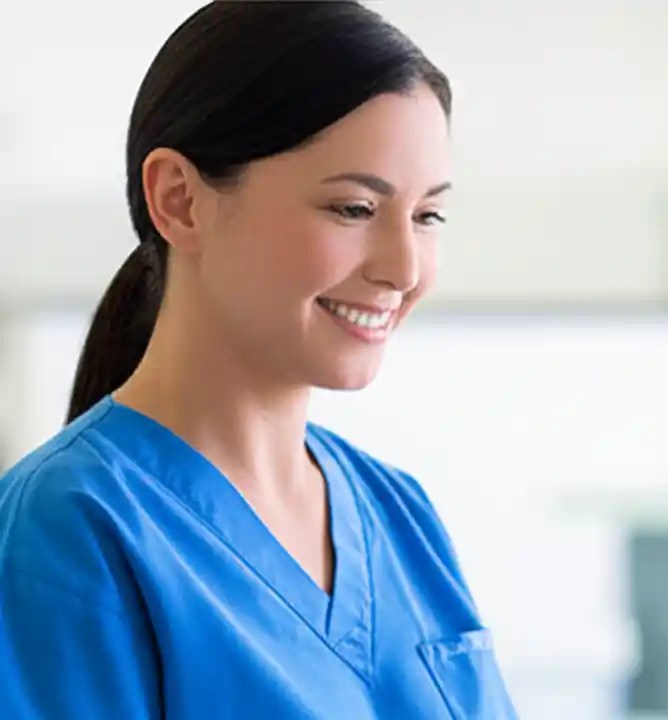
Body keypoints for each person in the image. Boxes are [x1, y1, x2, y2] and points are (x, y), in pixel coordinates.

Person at [0, 2, 518, 717]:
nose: (404, 268)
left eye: (428, 217)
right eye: (353, 210)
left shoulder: (400, 515)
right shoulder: (68, 531)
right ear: (180, 201)